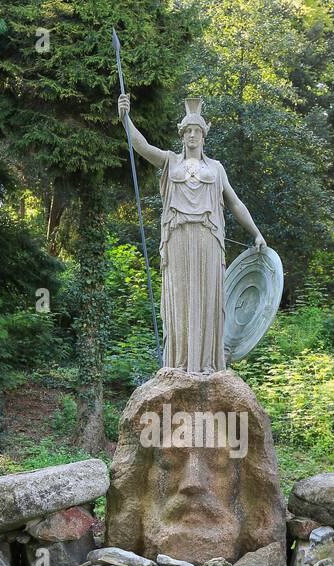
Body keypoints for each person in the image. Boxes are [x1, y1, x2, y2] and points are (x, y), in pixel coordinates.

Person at [118, 93, 266, 373]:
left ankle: (208, 364)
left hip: (209, 240)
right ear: (182, 135)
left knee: (208, 298)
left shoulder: (216, 168)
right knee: (180, 299)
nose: (193, 136)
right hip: (177, 239)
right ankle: (178, 364)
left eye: (197, 131)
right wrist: (126, 118)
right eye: (188, 131)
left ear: (204, 136)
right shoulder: (171, 161)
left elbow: (234, 202)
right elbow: (142, 146)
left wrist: (256, 233)